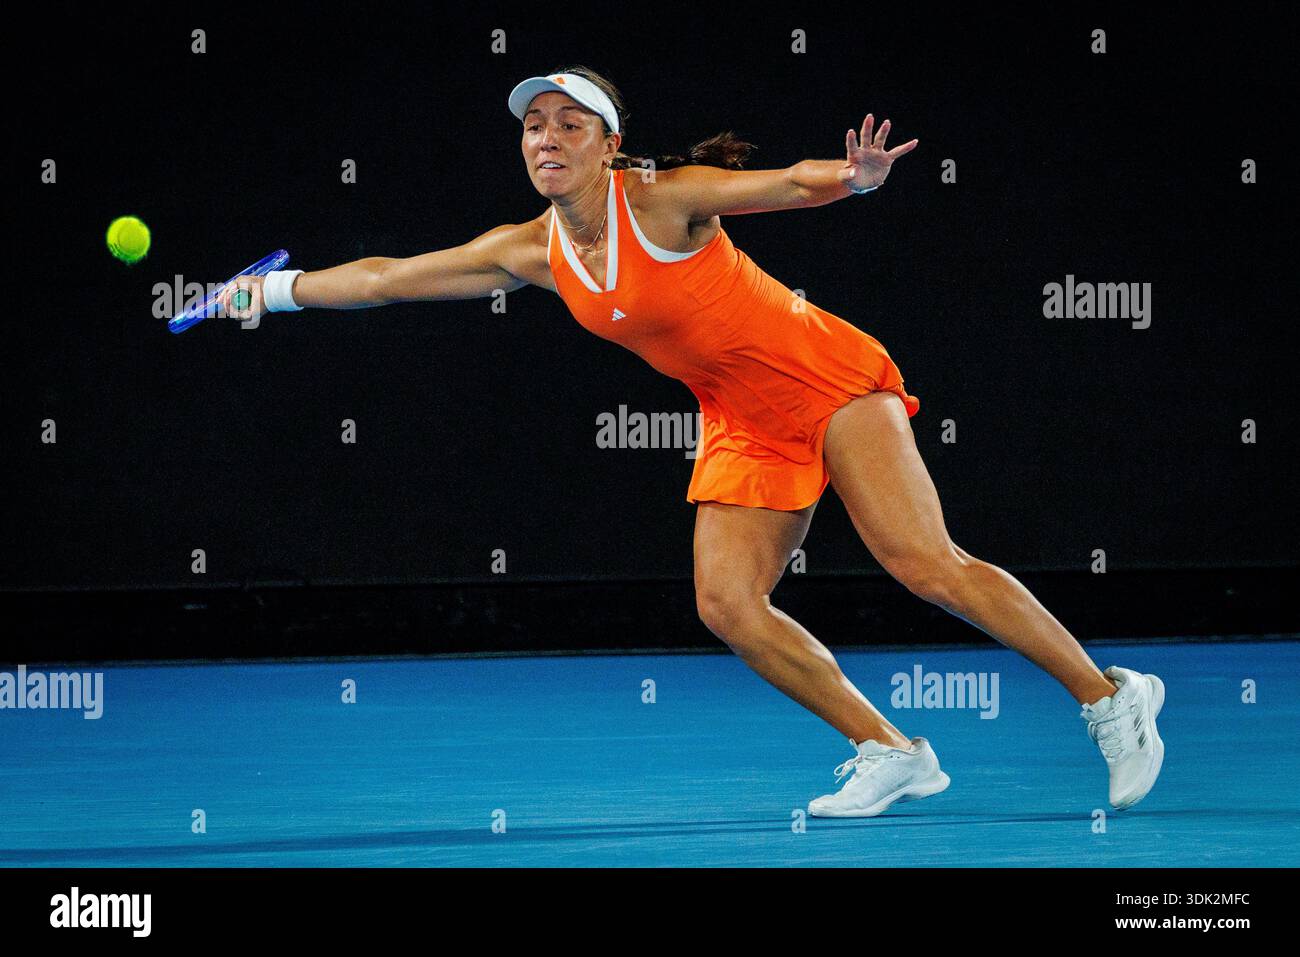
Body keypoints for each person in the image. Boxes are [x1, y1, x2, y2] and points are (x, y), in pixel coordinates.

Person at [221, 65, 1165, 817]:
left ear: (609, 145)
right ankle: (890, 750)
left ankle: (1111, 697)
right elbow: (390, 277)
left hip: (824, 376)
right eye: (533, 126)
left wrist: (854, 179)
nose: (546, 139)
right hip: (739, 415)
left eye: (568, 124)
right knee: (727, 604)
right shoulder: (530, 248)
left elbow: (788, 182)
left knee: (923, 561)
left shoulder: (663, 199)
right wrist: (271, 290)